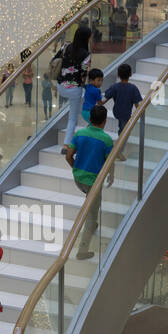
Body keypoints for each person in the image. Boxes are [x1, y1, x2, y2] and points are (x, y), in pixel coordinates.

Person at [65, 103, 114, 260]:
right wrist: (111, 175)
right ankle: (82, 250)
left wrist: (76, 169)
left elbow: (68, 155)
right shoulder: (106, 140)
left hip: (78, 179)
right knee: (91, 214)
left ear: (90, 118)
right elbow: (109, 162)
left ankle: (92, 225)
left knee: (90, 203)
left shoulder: (80, 134)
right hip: (94, 182)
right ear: (104, 121)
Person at [57, 23, 92, 151]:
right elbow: (84, 75)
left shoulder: (66, 46)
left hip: (60, 85)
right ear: (86, 38)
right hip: (74, 90)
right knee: (72, 118)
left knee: (72, 110)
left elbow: (56, 60)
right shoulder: (86, 55)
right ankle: (66, 145)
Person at [103, 63, 143, 160]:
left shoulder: (115, 86)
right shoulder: (133, 88)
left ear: (118, 75)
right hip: (126, 114)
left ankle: (117, 149)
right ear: (130, 74)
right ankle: (118, 151)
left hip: (117, 112)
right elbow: (137, 104)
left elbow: (105, 99)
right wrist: (140, 113)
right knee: (124, 132)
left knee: (122, 129)